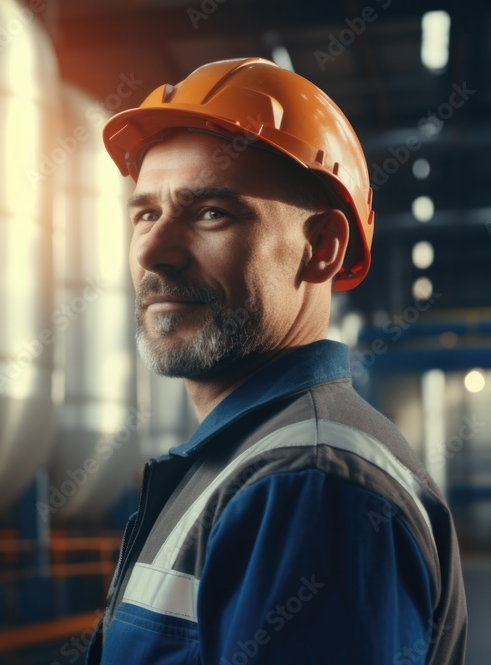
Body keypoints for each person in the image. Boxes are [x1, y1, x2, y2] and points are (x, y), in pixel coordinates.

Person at [84, 57, 467, 664]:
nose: (155, 251)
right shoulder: (240, 464)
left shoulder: (309, 484)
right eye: (146, 214)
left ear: (321, 249)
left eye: (212, 212)